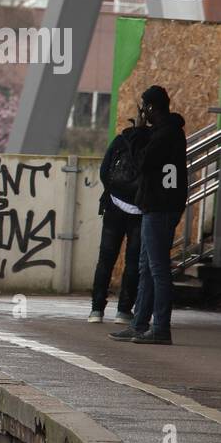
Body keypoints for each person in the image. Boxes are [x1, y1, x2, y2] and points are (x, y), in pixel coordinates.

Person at [110, 85, 187, 345]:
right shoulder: (166, 132)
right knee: (146, 267)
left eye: (143, 107)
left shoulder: (165, 134)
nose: (142, 112)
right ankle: (139, 323)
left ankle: (161, 328)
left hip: (160, 207)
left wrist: (138, 132)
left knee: (157, 269)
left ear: (151, 107)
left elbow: (142, 162)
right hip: (157, 206)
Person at [89, 116, 150, 323]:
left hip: (114, 206)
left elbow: (104, 170)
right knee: (133, 261)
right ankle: (123, 311)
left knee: (106, 259)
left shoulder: (121, 140)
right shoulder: (153, 142)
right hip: (140, 210)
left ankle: (96, 310)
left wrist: (113, 191)